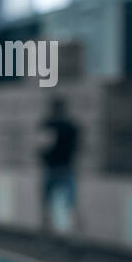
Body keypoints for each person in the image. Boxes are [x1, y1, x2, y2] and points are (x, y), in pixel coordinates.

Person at [38, 97, 81, 236]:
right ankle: (76, 236)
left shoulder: (48, 125)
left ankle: (46, 236)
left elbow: (43, 147)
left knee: (46, 204)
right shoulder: (72, 127)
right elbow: (78, 148)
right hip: (67, 168)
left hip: (53, 169)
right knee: (71, 204)